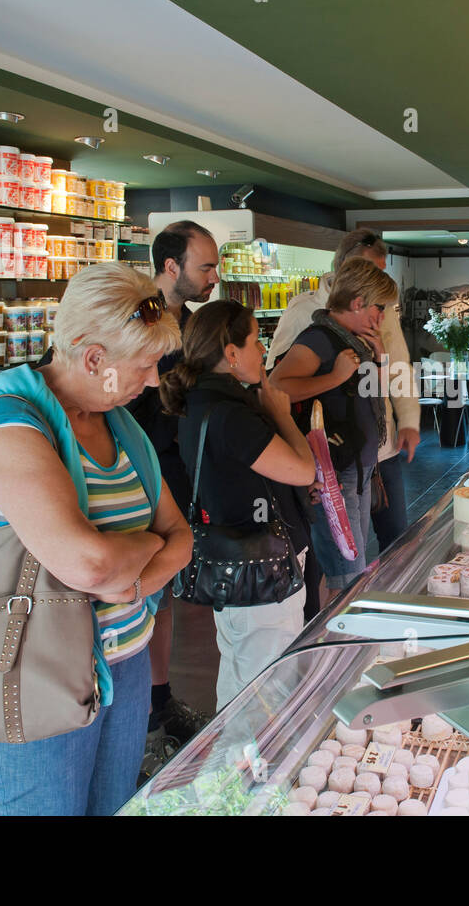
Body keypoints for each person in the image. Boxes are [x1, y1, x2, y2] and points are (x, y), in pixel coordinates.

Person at [0, 262, 192, 815]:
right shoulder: (12, 425)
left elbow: (181, 536)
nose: (153, 380)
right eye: (144, 365)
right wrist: (143, 550)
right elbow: (92, 565)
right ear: (94, 358)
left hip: (124, 661)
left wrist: (133, 577)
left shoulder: (120, 424)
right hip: (35, 678)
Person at [160, 300, 316, 710]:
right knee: (266, 696)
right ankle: (253, 772)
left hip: (236, 568)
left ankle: (229, 769)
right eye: (255, 341)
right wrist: (281, 414)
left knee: (240, 683)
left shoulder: (200, 402)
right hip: (262, 573)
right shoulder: (232, 414)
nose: (263, 350)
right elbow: (303, 470)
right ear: (231, 354)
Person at [267, 230, 419, 566]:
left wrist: (378, 355)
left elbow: (376, 387)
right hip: (335, 464)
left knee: (361, 557)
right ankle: (336, 618)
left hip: (363, 461)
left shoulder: (358, 335)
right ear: (357, 301)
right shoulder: (320, 335)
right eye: (380, 308)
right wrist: (334, 377)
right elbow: (276, 386)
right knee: (346, 566)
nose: (384, 317)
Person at [124, 220, 219, 745]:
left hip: (176, 476)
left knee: (164, 594)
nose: (214, 277)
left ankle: (157, 699)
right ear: (170, 267)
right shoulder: (137, 317)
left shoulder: (196, 323)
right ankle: (137, 708)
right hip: (136, 475)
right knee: (137, 594)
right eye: (205, 266)